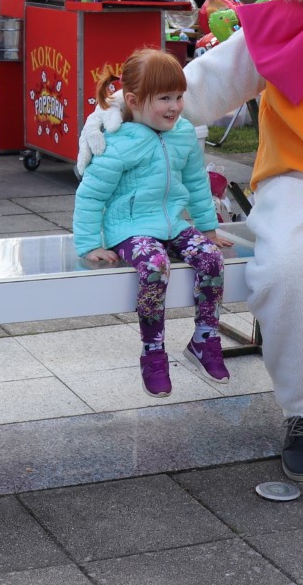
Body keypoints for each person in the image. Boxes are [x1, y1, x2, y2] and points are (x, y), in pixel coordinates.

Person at [73, 48, 231, 397]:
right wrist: (89, 244)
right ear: (133, 100)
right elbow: (90, 195)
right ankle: (153, 351)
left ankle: (205, 339)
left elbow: (196, 182)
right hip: (130, 229)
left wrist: (207, 227)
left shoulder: (183, 133)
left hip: (173, 224)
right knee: (156, 265)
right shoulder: (117, 143)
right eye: (164, 98)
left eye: (178, 96)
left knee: (210, 258)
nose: (175, 106)